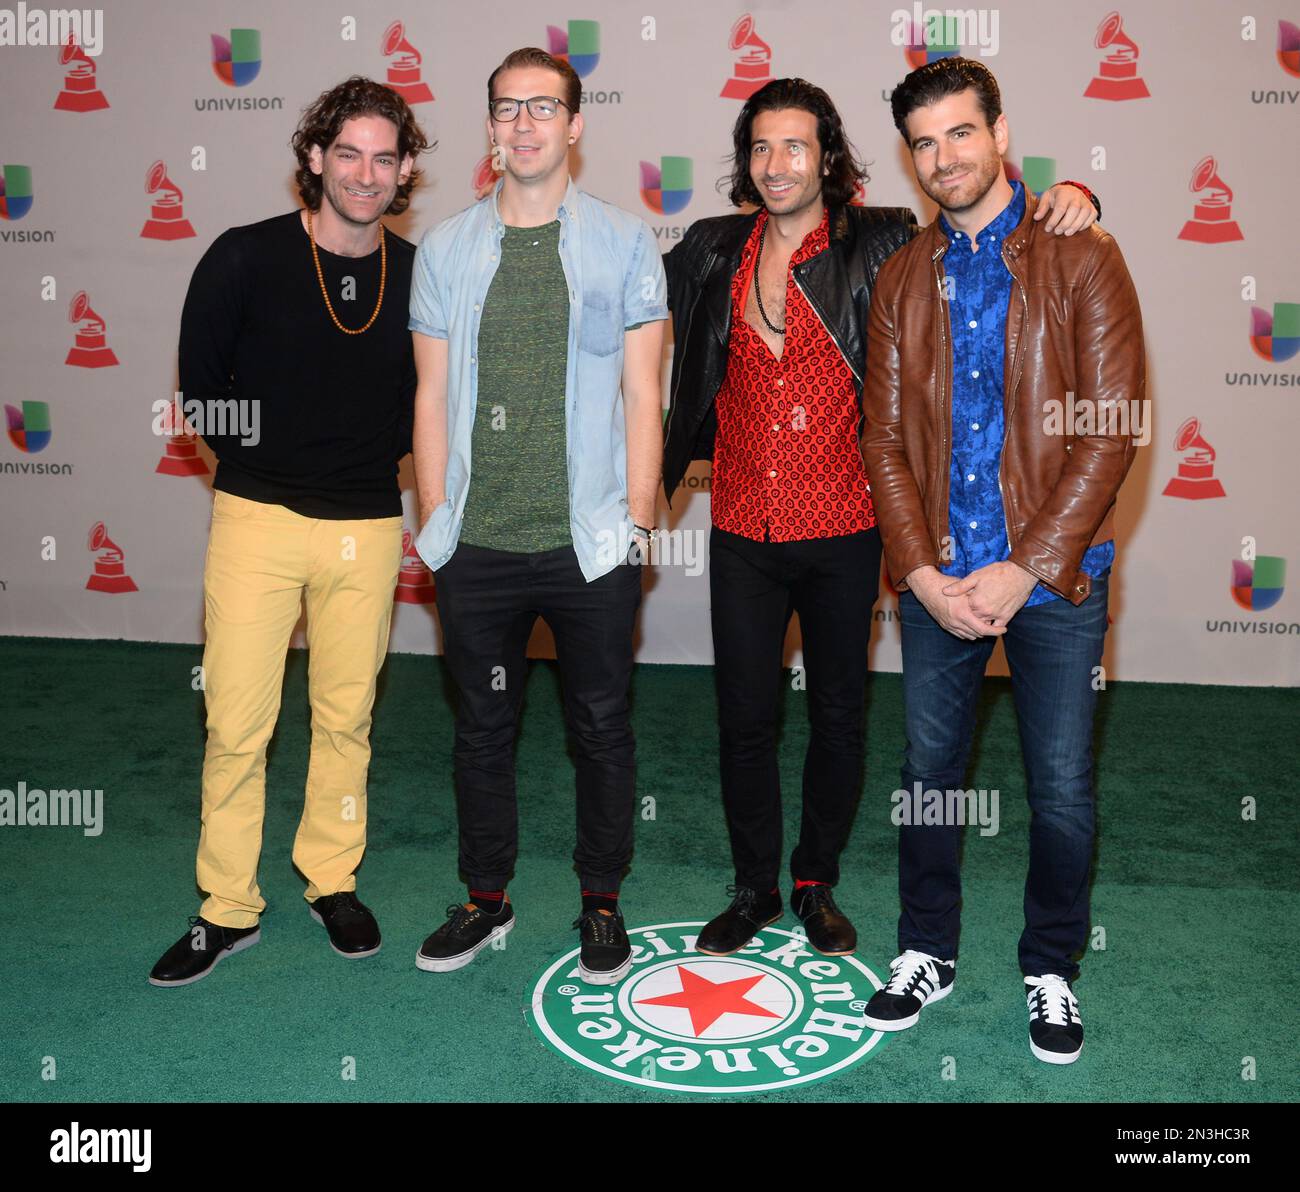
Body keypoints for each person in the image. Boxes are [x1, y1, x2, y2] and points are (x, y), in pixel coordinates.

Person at [662, 78, 1099, 959]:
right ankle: (753, 887)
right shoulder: (711, 249)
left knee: (839, 713)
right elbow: (624, 304)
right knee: (743, 717)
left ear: (829, 157)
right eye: (759, 148)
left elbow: (984, 208)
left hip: (847, 524)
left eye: (795, 146)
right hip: (744, 522)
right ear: (744, 162)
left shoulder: (884, 240)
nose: (776, 164)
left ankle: (814, 881)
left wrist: (1083, 198)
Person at [861, 57, 1144, 1064]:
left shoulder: (1080, 253)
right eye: (924, 142)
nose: (944, 157)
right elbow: (883, 440)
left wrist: (1025, 566)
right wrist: (922, 572)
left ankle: (1052, 967)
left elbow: (1108, 431)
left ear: (1000, 131)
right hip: (939, 577)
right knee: (929, 771)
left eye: (959, 133)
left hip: (1055, 577)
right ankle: (924, 948)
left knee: (1061, 785)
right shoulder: (900, 278)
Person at [149, 77, 429, 987]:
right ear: (313, 158)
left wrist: (361, 464)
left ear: (405, 171)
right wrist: (286, 459)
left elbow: (428, 404)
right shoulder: (244, 258)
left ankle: (330, 880)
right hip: (257, 520)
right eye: (346, 153)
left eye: (383, 158)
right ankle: (226, 906)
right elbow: (201, 391)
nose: (364, 173)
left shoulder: (419, 272)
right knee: (237, 722)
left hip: (367, 526)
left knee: (346, 719)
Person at [409, 47, 667, 986]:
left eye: (542, 107)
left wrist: (639, 520)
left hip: (589, 541)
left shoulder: (626, 242)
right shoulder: (443, 248)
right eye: (506, 108)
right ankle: (487, 899)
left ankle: (602, 902)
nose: (523, 124)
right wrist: (437, 517)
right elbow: (431, 397)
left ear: (575, 123)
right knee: (483, 727)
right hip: (476, 544)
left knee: (600, 725)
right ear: (489, 126)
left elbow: (646, 394)